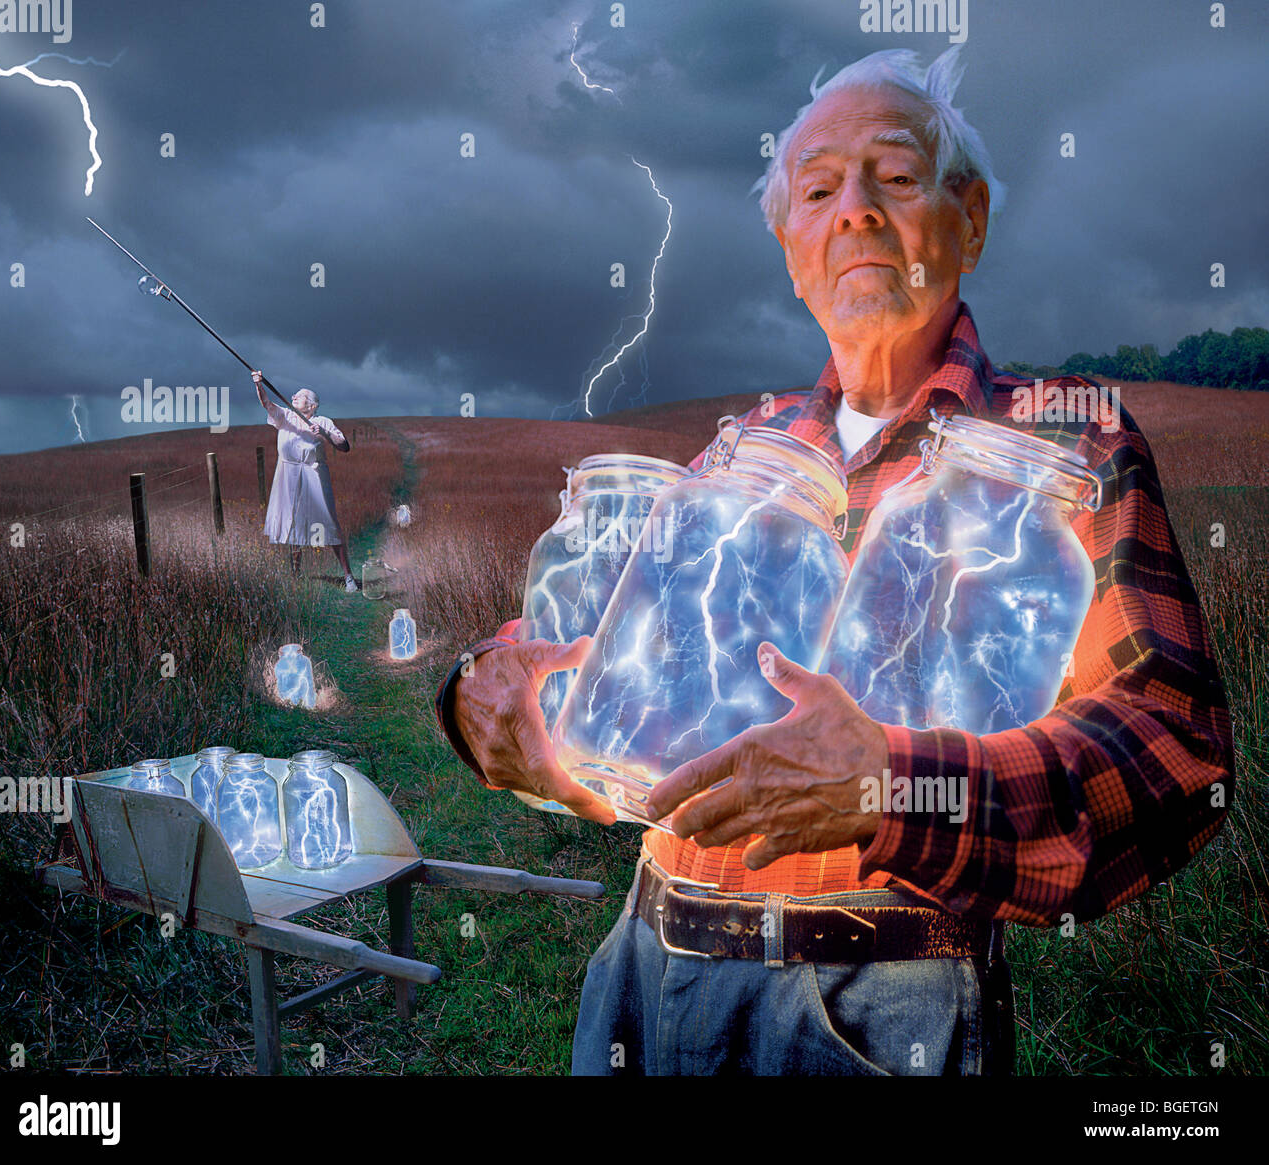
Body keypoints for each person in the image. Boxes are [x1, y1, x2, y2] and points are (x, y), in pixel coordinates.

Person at [432, 46, 1234, 1075]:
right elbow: (576, 652)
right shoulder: (737, 454)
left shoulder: (1062, 449)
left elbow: (1174, 755)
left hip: (878, 1006)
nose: (853, 209)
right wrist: (475, 698)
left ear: (971, 219)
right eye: (817, 189)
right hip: (642, 964)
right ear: (791, 247)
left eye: (894, 177)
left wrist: (895, 790)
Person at [252, 370, 358, 591]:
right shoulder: (286, 416)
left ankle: (348, 577)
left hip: (315, 474)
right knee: (292, 523)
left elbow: (344, 446)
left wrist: (324, 435)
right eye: (294, 396)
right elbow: (267, 404)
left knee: (328, 521)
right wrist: (259, 384)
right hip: (287, 475)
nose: (293, 398)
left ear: (311, 405)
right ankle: (295, 576)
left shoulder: (323, 421)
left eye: (299, 397)